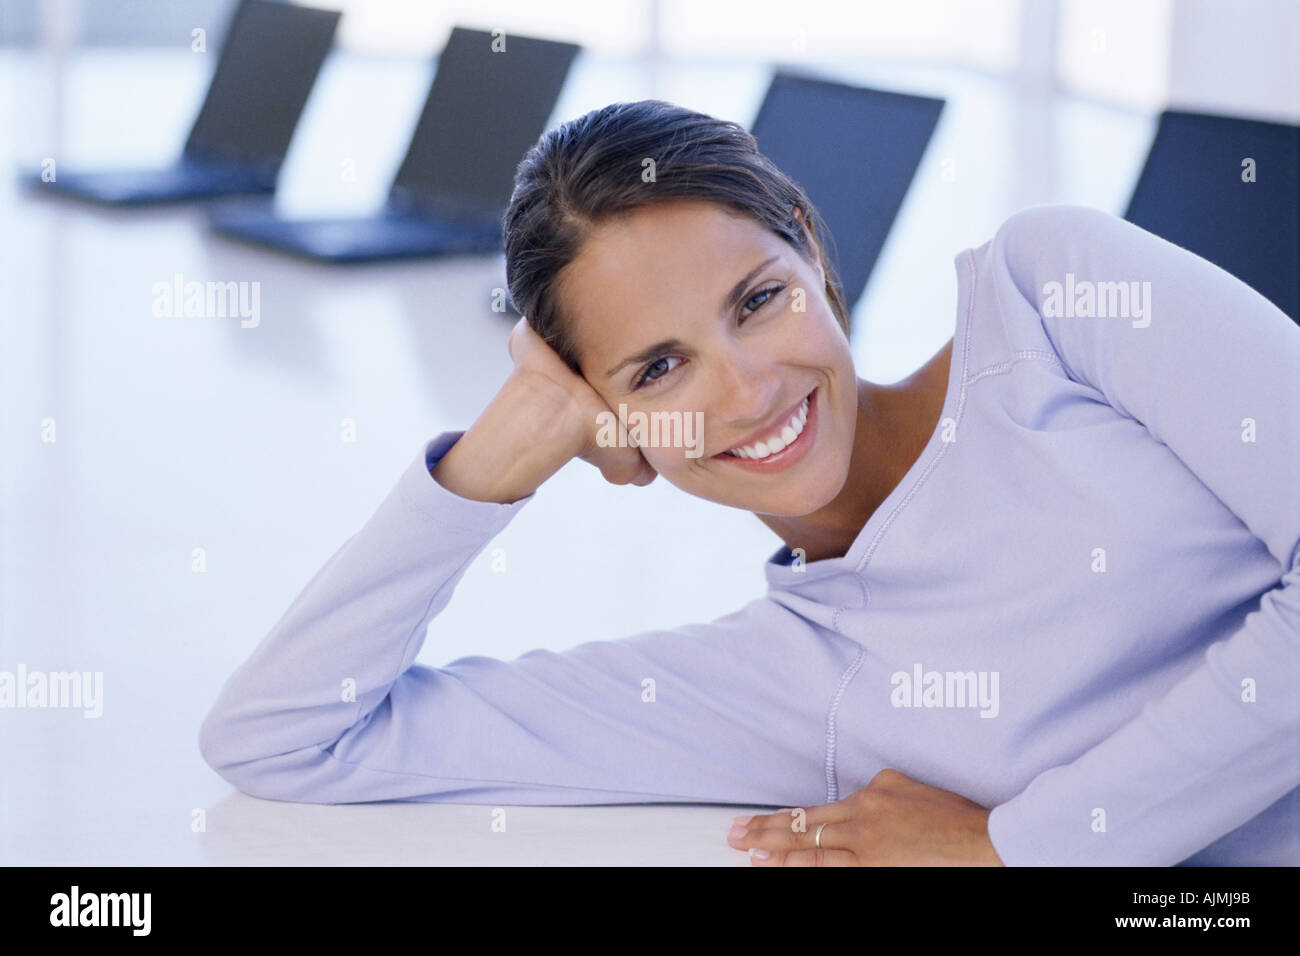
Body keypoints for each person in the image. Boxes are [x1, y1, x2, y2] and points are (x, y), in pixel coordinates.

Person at [199, 100, 1300, 866]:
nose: (748, 392)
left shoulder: (1054, 296)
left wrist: (1023, 845)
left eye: (757, 299)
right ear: (613, 420)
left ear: (812, 250)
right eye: (657, 366)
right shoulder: (777, 684)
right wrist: (494, 462)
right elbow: (286, 739)